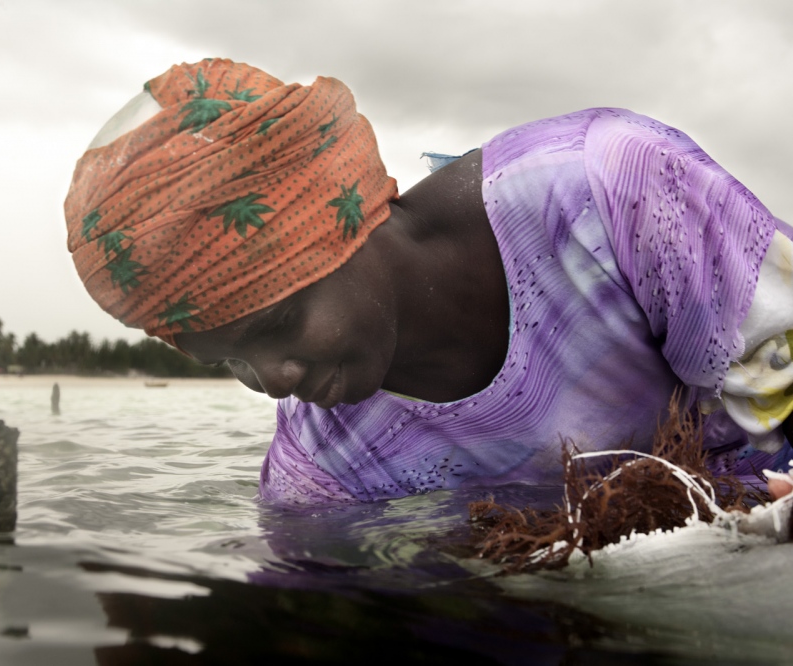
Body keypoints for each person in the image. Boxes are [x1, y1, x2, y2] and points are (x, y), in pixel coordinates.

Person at [65, 58, 793, 505]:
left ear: (345, 224)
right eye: (229, 361)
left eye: (279, 324)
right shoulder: (326, 465)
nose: (273, 379)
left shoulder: (606, 194)